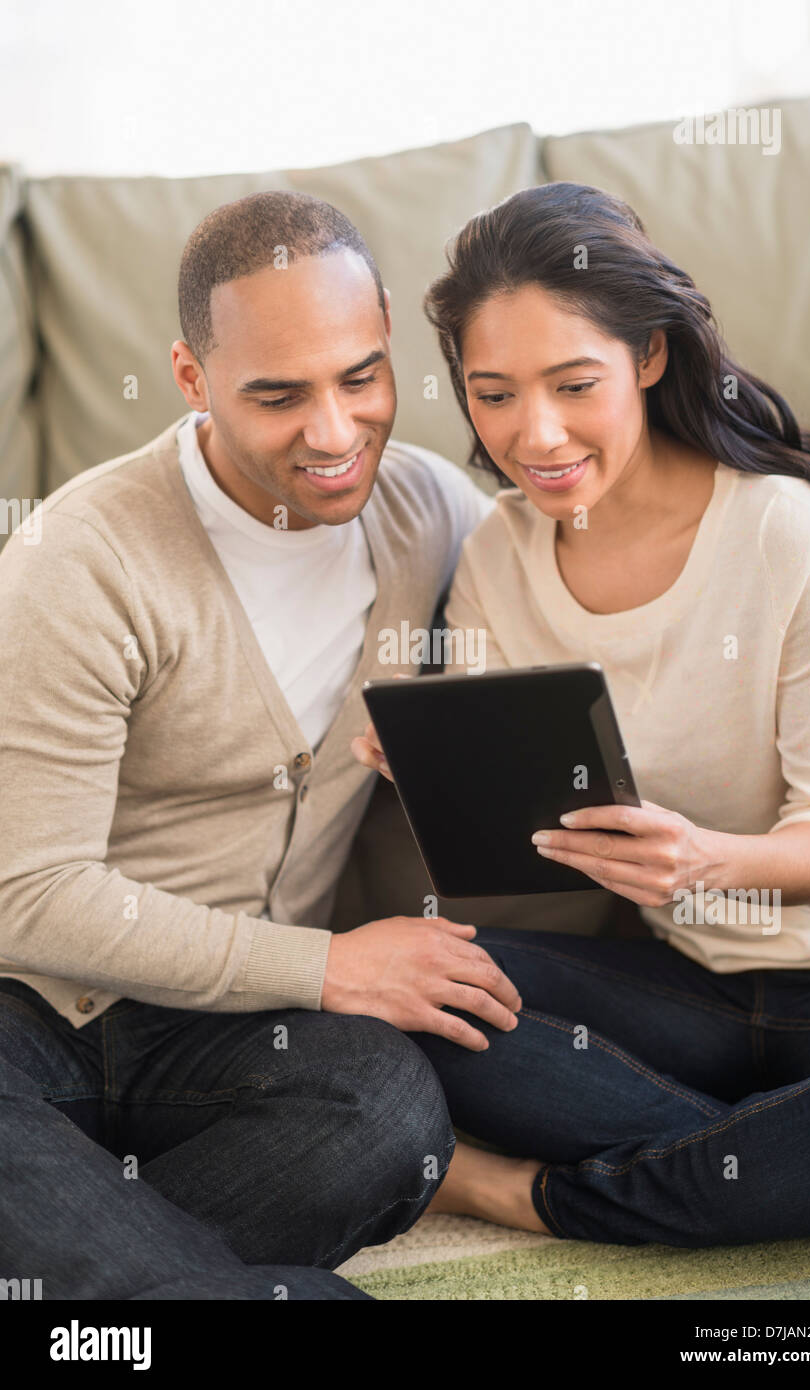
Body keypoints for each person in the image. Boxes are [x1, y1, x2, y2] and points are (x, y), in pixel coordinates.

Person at [0, 190, 523, 1300]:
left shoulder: (425, 511)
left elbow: (567, 612)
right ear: (192, 380)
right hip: (25, 1015)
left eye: (359, 376)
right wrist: (329, 964)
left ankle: (76, 1262)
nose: (333, 433)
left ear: (386, 329)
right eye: (277, 395)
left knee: (388, 1111)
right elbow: (28, 895)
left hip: (221, 1038)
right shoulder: (78, 561)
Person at [353, 181, 810, 1248]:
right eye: (492, 396)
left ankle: (519, 1191)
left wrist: (706, 859)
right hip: (691, 990)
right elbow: (523, 854)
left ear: (647, 357)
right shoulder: (498, 548)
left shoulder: (784, 532)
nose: (533, 435)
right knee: (413, 990)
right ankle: (780, 1167)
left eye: (572, 383)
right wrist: (447, 772)